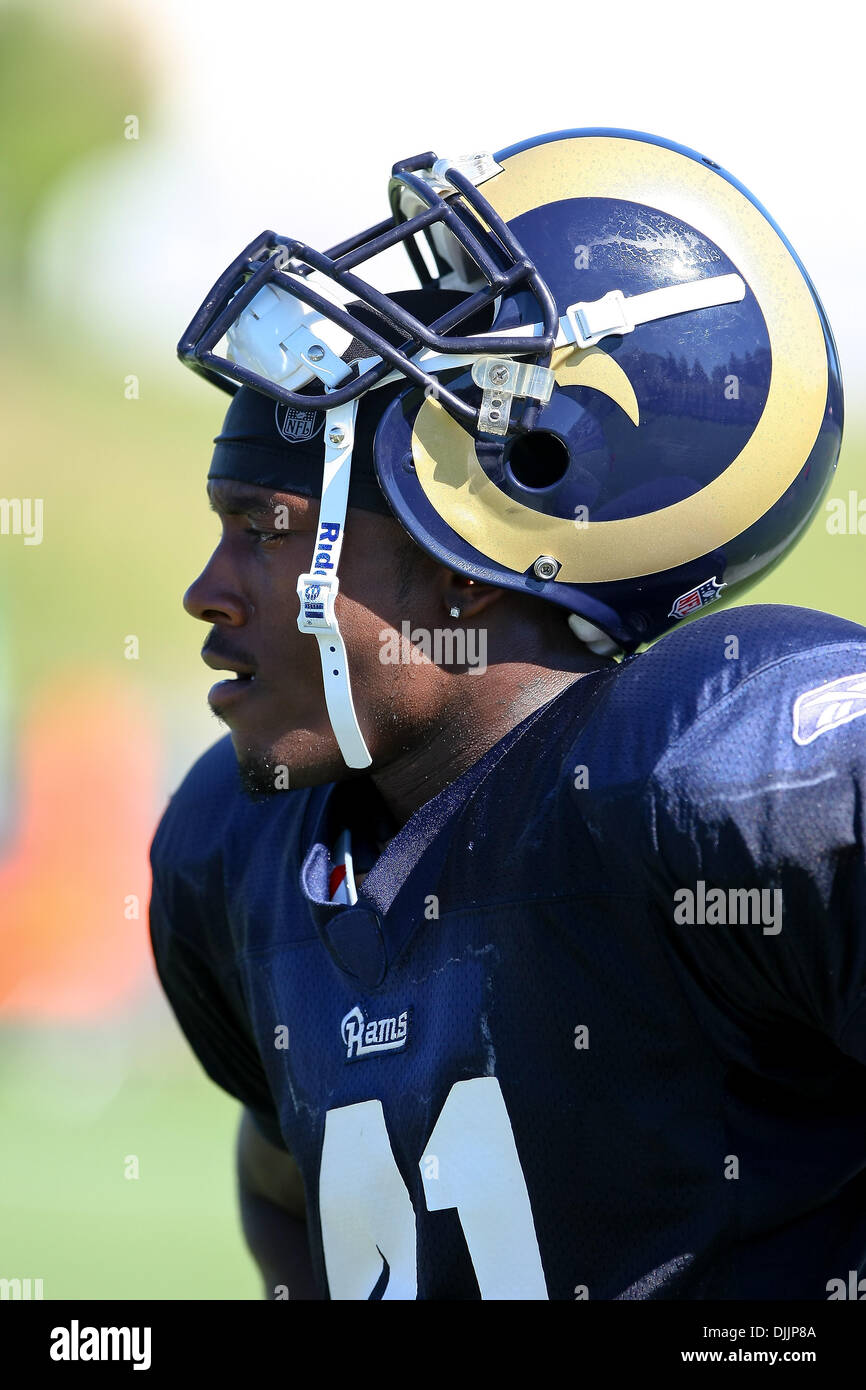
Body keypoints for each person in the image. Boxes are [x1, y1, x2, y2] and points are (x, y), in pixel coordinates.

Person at [150, 129, 865, 1300]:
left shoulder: (737, 780)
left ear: (470, 561)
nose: (206, 591)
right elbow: (289, 1183)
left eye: (266, 530)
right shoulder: (238, 856)